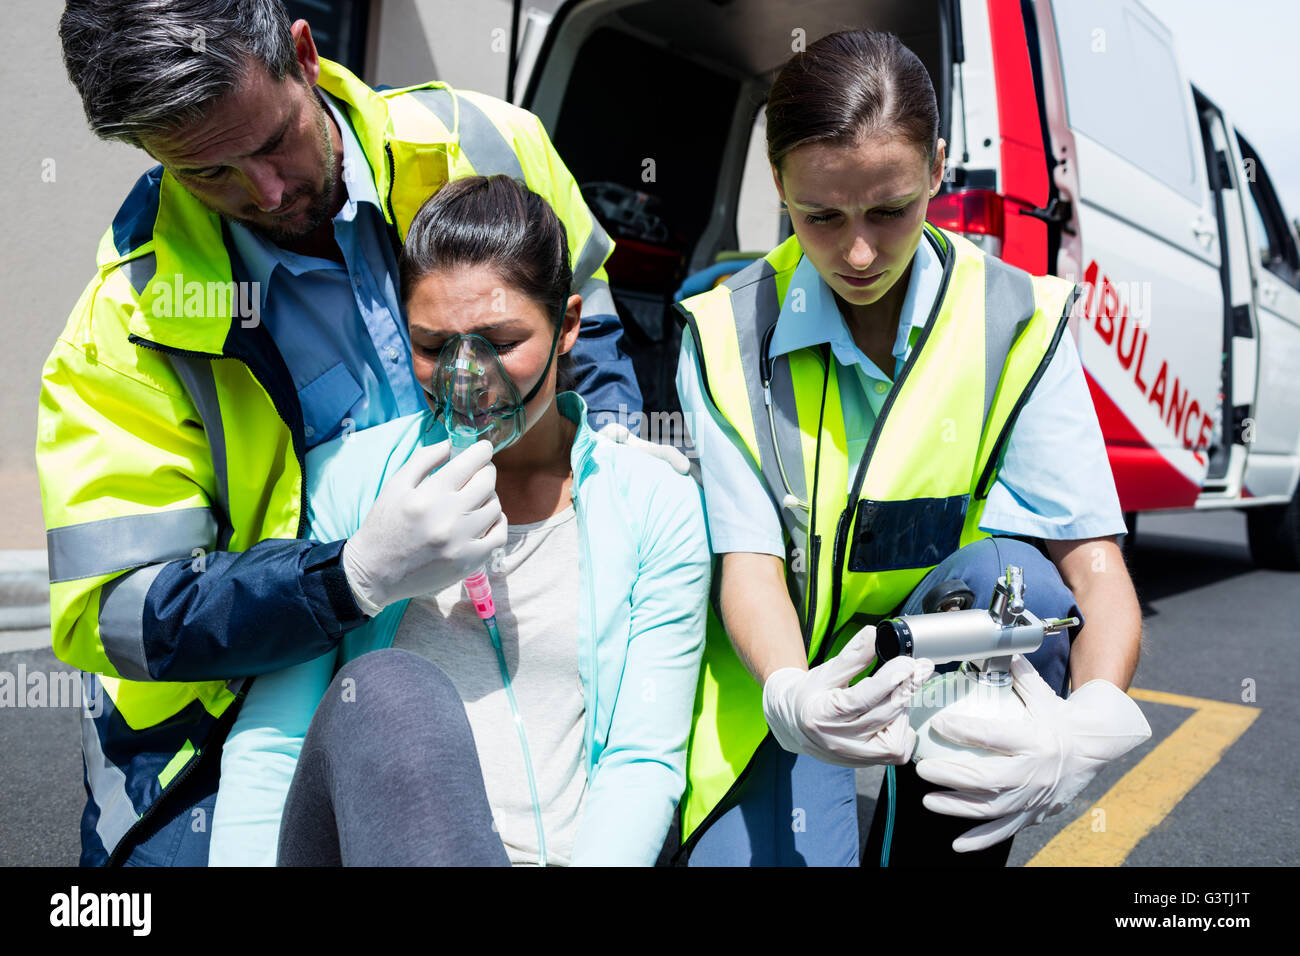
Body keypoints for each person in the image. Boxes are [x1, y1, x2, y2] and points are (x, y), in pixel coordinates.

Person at [38, 0, 670, 867]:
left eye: (270, 143)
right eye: (207, 173)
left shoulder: (487, 141)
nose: (263, 193)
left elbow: (583, 311)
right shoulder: (123, 332)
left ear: (303, 55)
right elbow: (125, 615)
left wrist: (614, 455)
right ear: (152, 154)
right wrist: (348, 576)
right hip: (217, 734)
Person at [673, 29, 1151, 866]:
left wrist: (1091, 718)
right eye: (820, 215)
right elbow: (748, 565)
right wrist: (791, 695)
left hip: (938, 648)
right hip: (775, 674)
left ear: (937, 169)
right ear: (778, 185)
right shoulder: (721, 333)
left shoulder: (1021, 322)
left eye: (889, 209)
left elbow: (1093, 567)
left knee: (1020, 583)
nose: (858, 253)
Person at [206, 174, 709, 866]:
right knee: (389, 692)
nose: (466, 379)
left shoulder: (654, 501)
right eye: (435, 346)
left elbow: (642, 758)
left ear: (567, 328)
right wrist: (362, 573)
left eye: (499, 342)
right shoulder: (352, 481)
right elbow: (276, 735)